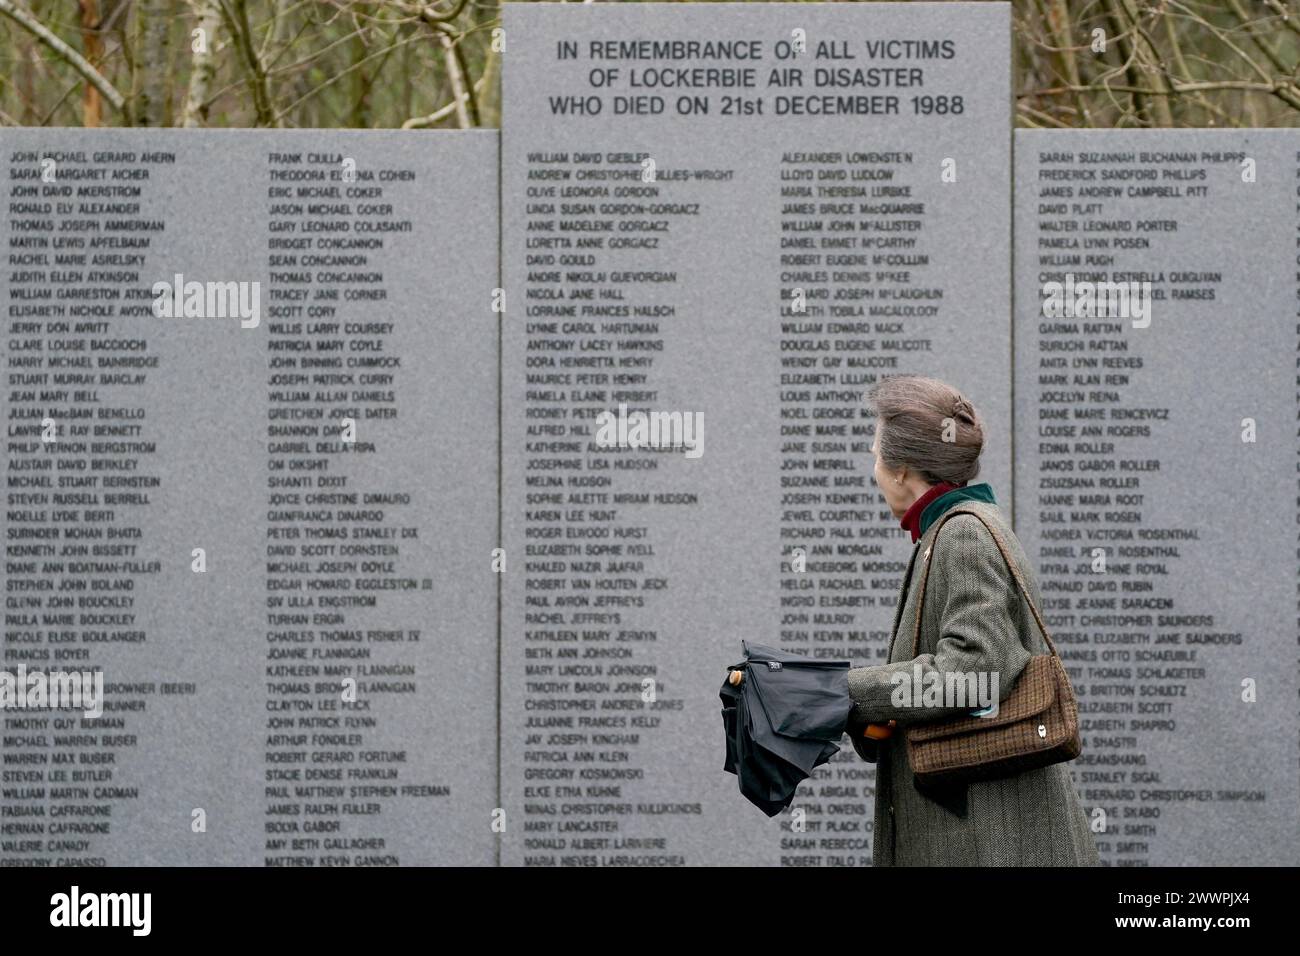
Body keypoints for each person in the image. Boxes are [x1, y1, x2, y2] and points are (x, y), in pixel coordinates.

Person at [847, 374, 1100, 866]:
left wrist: (848, 691)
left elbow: (972, 675)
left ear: (901, 471)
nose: (874, 468)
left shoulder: (963, 535)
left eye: (877, 454)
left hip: (987, 841)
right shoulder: (953, 529)